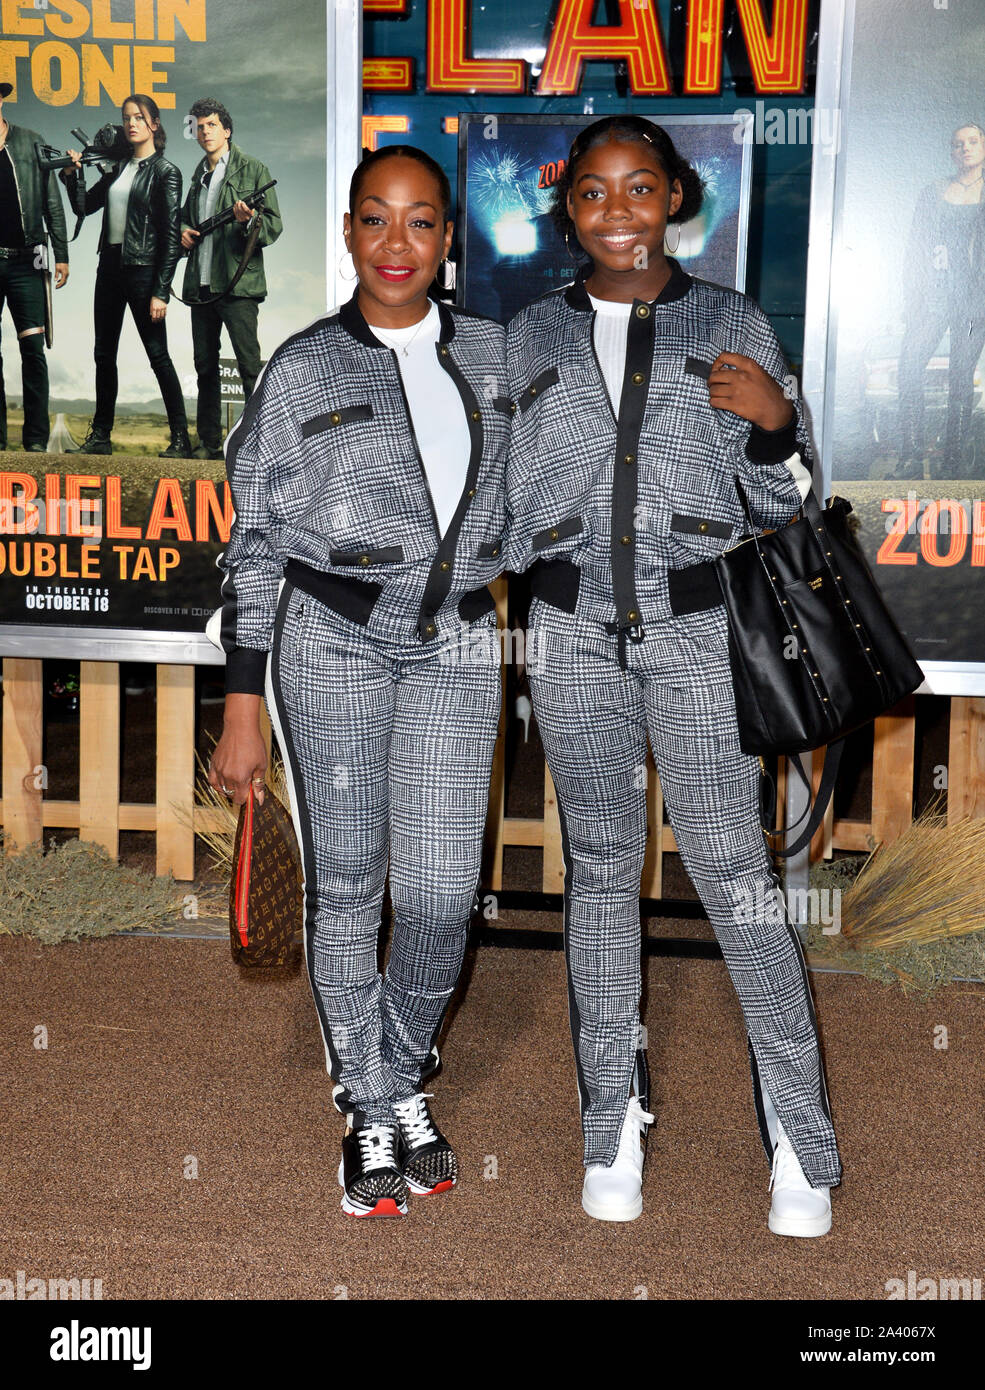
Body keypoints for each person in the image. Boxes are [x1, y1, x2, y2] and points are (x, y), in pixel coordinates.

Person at [506, 116, 841, 1233]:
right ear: (569, 210)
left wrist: (774, 426)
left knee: (738, 881)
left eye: (638, 189)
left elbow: (784, 501)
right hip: (566, 639)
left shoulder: (729, 320)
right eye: (593, 192)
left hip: (701, 635)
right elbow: (498, 501)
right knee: (600, 871)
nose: (616, 211)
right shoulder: (527, 337)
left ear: (674, 200)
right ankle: (611, 1120)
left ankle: (800, 1135)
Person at [206, 145, 509, 1219]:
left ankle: (394, 1062)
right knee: (351, 884)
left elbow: (550, 504)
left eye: (419, 222)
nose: (396, 244)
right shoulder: (299, 370)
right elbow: (255, 545)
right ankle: (374, 1104)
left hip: (459, 645)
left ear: (444, 239)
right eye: (374, 220)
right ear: (345, 232)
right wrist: (244, 697)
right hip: (328, 640)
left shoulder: (495, 356)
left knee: (437, 896)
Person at [63, 93, 189, 459]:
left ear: (154, 124)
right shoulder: (119, 169)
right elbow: (83, 206)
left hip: (144, 270)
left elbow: (169, 236)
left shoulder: (166, 173)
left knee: (157, 355)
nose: (131, 123)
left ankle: (181, 438)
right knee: (104, 353)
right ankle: (101, 437)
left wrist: (161, 291)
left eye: (138, 117)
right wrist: (72, 176)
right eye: (126, 117)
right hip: (110, 267)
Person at [179, 98, 282, 460]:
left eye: (211, 125)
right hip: (201, 285)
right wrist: (183, 232)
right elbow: (184, 221)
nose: (205, 131)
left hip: (238, 286)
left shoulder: (252, 170)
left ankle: (260, 445)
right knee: (204, 367)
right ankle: (208, 444)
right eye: (200, 126)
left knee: (249, 366)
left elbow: (272, 227)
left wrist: (247, 221)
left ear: (227, 130)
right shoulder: (198, 177)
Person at [897, 122, 985, 480]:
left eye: (973, 141)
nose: (965, 148)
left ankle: (953, 463)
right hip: (935, 292)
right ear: (951, 152)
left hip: (975, 296)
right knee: (909, 366)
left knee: (961, 376)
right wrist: (909, 296)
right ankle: (911, 457)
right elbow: (915, 247)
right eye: (958, 144)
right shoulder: (933, 191)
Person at [0, 80, 69, 452]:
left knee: (33, 348)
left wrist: (62, 253)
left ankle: (36, 442)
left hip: (28, 259)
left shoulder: (30, 140)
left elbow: (52, 202)